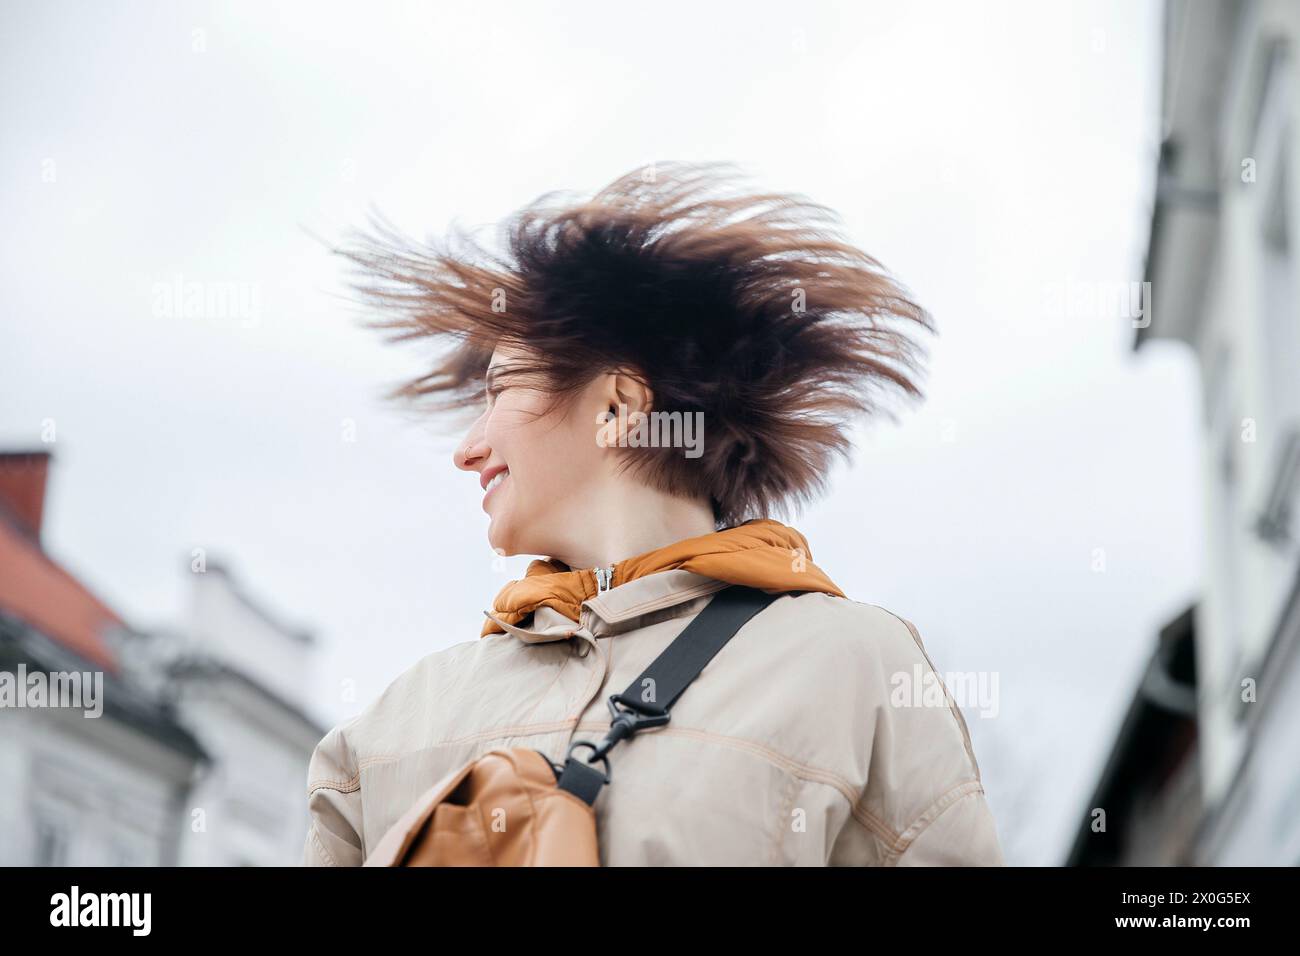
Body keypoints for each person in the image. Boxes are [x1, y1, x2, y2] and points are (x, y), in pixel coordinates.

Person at [303, 162, 1004, 866]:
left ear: (617, 407)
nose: (466, 449)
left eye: (500, 390)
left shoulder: (852, 666)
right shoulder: (387, 726)